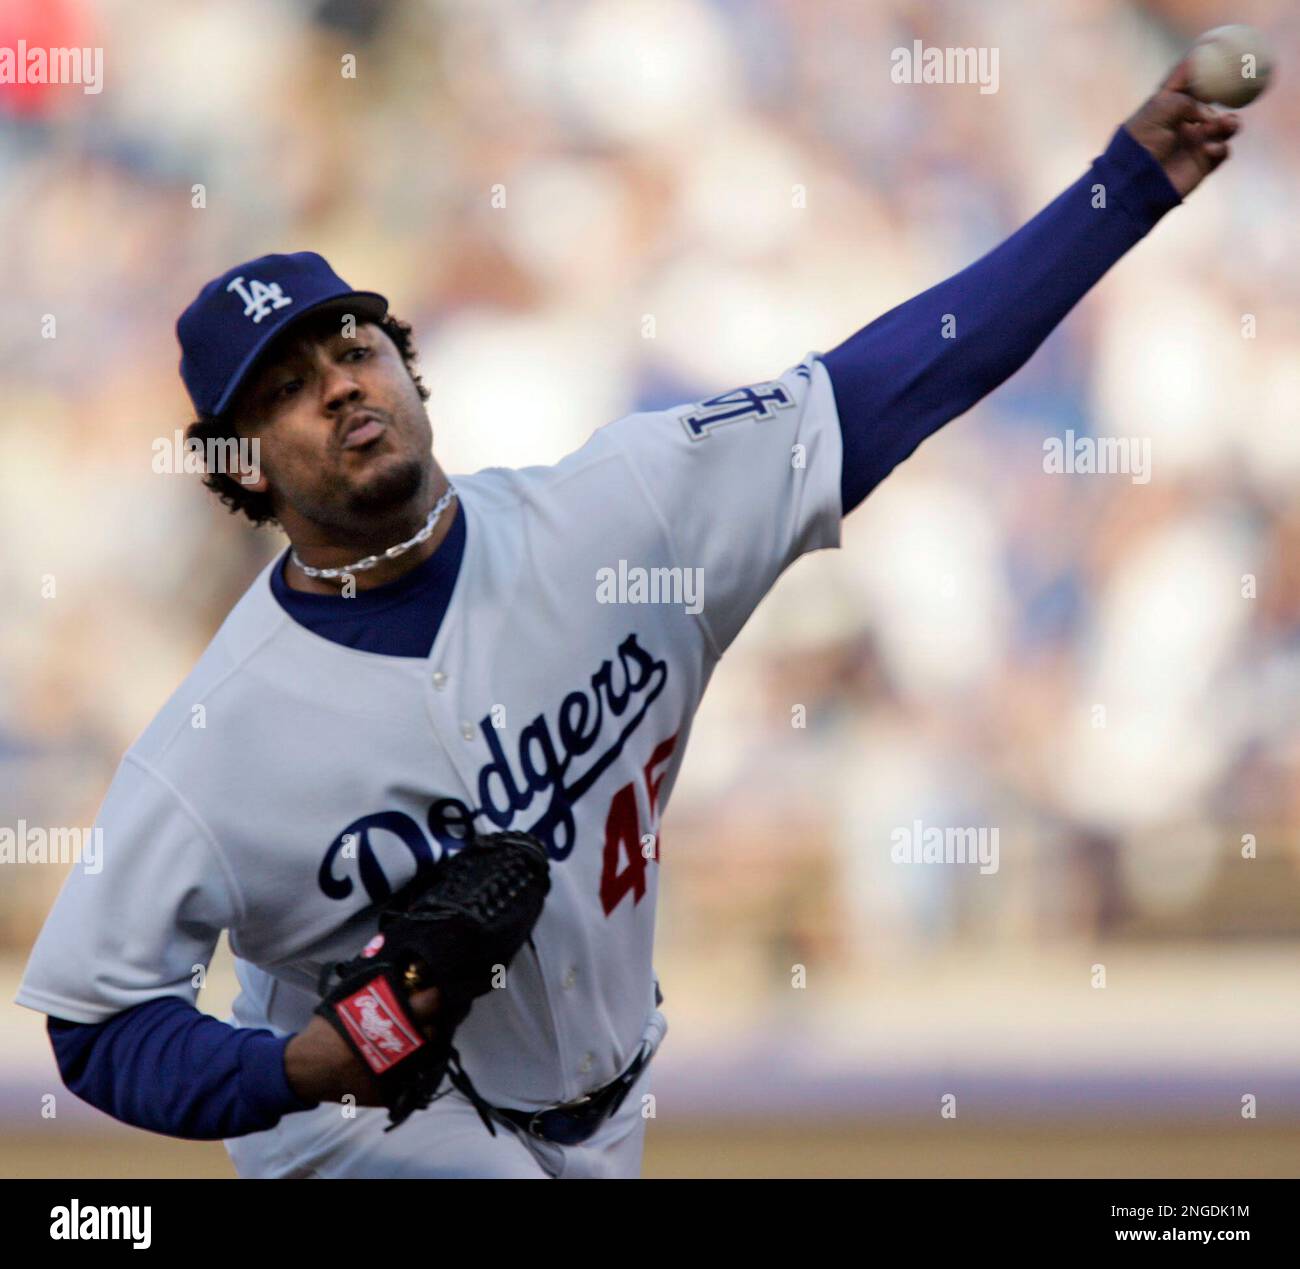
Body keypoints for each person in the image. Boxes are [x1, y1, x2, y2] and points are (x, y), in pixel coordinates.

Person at [14, 67, 1239, 1179]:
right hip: (359, 1134)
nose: (338, 383)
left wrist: (1123, 187)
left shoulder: (622, 519)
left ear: (404, 361)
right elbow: (97, 1018)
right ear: (243, 471)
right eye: (283, 390)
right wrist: (298, 1071)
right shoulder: (219, 738)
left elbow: (886, 385)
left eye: (352, 346)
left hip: (606, 1106)